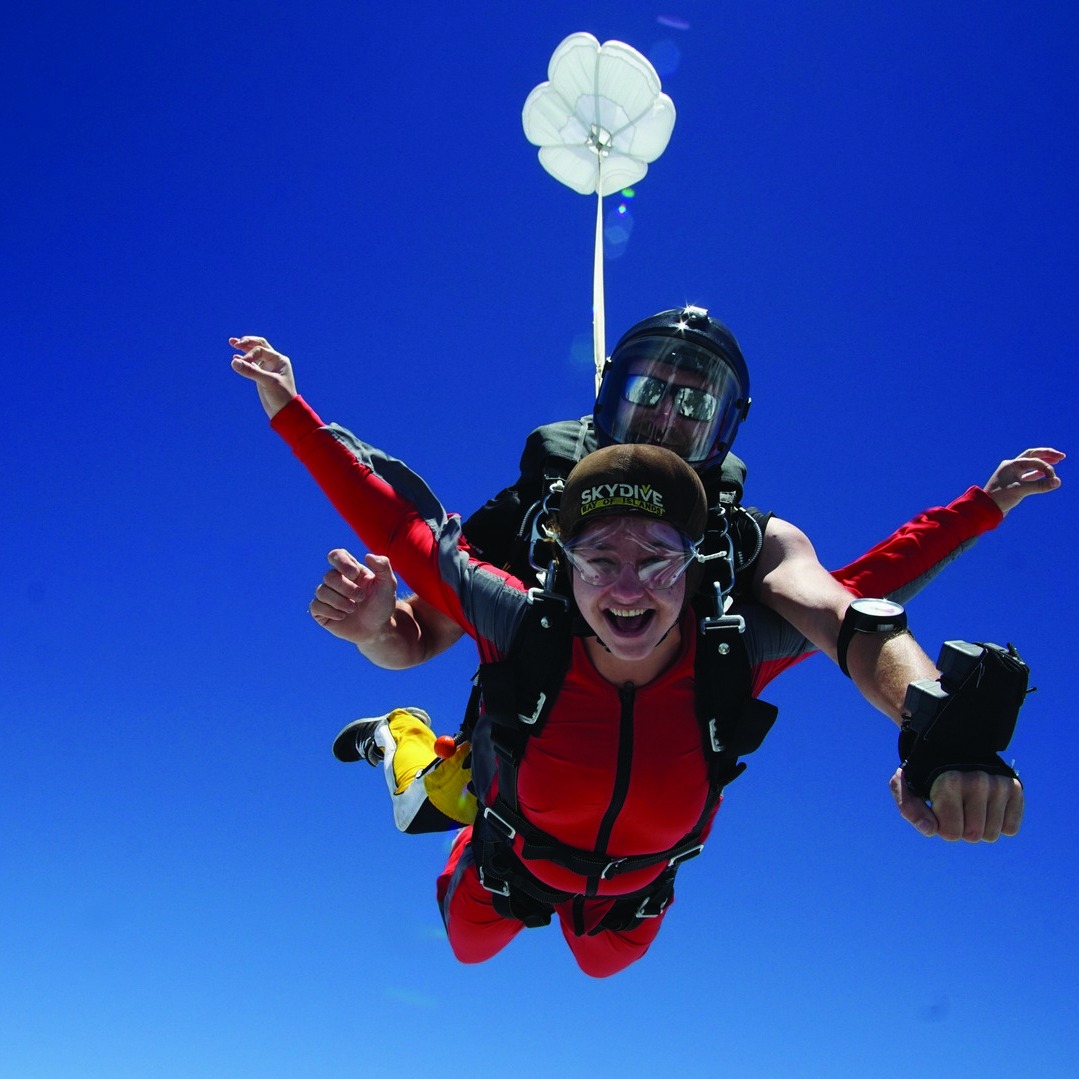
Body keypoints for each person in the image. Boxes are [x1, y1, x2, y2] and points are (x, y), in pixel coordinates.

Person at [231, 335, 1036, 977]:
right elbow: (396, 535)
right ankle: (412, 745)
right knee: (467, 942)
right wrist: (290, 413)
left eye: (658, 557)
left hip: (633, 892)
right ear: (561, 558)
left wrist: (938, 727)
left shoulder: (742, 606)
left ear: (693, 561)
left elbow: (852, 610)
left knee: (601, 966)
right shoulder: (519, 597)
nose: (627, 584)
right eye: (597, 558)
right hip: (506, 849)